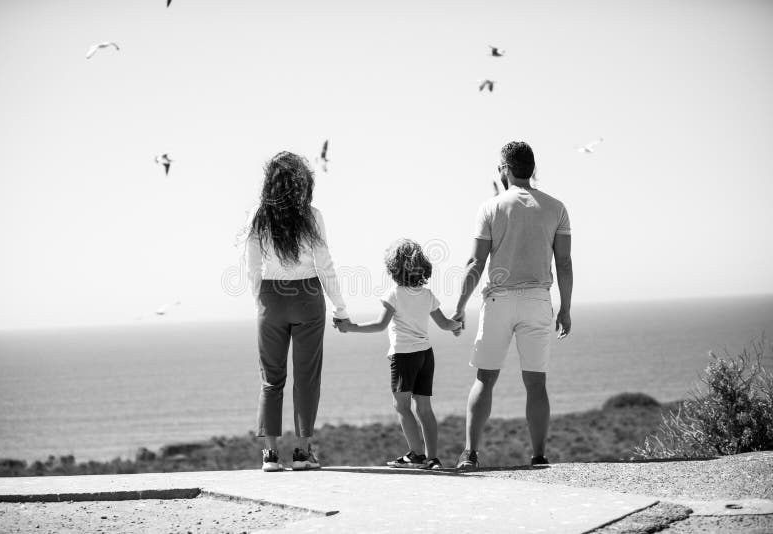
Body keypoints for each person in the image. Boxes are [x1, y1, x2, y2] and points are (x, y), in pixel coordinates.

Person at [452, 141, 573, 469]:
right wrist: (566, 308)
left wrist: (460, 306)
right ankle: (538, 456)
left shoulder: (490, 208)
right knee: (536, 383)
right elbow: (564, 262)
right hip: (537, 300)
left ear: (505, 169)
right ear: (532, 169)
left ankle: (470, 454)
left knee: (485, 379)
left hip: (499, 300)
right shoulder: (556, 208)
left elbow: (475, 264)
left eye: (499, 167)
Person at [244, 151, 349, 472]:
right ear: (303, 181)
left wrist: (260, 301)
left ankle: (270, 455)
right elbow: (325, 264)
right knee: (307, 378)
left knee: (271, 379)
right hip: (307, 296)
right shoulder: (313, 215)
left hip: (271, 298)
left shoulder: (258, 215)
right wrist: (340, 307)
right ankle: (303, 452)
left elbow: (252, 266)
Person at [335, 239, 461, 470]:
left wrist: (349, 327)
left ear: (394, 268)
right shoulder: (427, 294)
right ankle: (433, 458)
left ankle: (416, 455)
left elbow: (379, 325)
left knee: (401, 406)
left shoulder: (394, 293)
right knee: (425, 408)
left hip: (404, 356)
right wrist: (457, 327)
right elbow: (445, 324)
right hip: (426, 355)